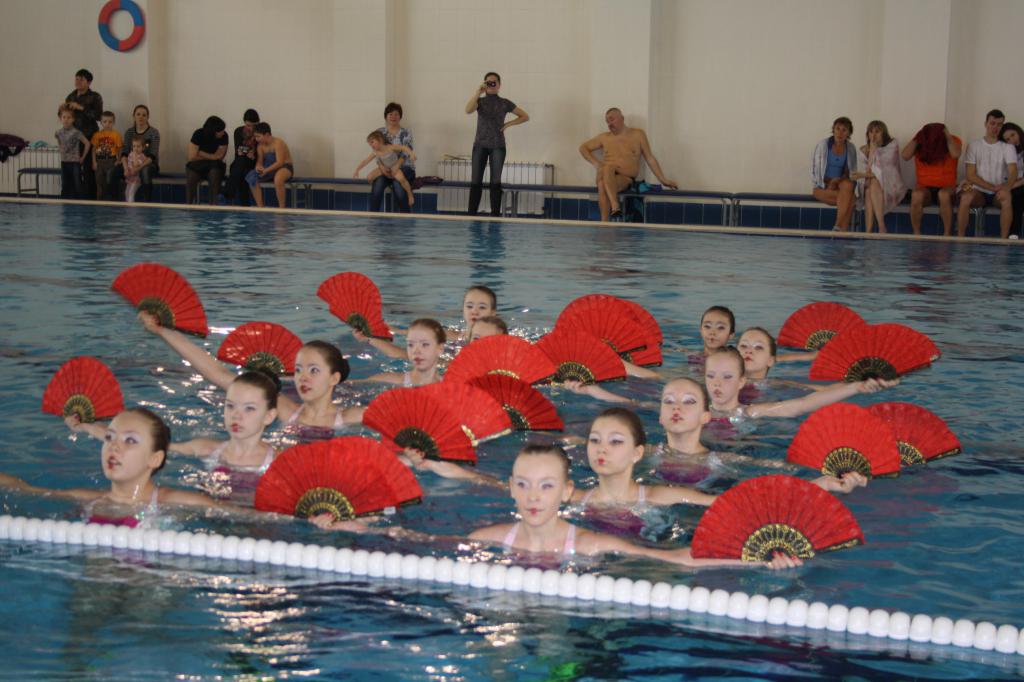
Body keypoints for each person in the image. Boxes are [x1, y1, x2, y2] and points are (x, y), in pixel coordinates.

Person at [466, 444, 801, 569]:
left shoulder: (590, 544)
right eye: (522, 484)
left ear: (567, 491)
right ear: (510, 488)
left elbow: (673, 558)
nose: (533, 497)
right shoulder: (486, 538)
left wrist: (756, 561)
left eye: (547, 486)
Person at [138, 312, 364, 443]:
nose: (302, 378)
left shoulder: (352, 417)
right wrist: (164, 331)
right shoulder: (286, 410)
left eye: (313, 370)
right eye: (297, 370)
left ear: (334, 378)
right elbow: (219, 375)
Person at [66, 372, 280, 503]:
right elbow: (143, 445)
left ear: (270, 416)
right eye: (230, 406)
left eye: (249, 409)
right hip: (209, 519)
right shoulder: (206, 449)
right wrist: (87, 427)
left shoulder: (278, 461)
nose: (236, 415)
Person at [0, 408, 224, 526]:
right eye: (109, 437)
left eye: (130, 441)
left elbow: (247, 518)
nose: (113, 447)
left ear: (154, 459)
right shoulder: (90, 501)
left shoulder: (176, 503)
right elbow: (25, 489)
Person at [704, 347, 896, 423]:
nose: (717, 383)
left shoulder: (751, 412)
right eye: (710, 376)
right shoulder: (696, 413)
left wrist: (856, 387)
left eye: (727, 377)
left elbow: (802, 405)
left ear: (741, 382)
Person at [579, 108, 679, 221]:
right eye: (607, 122)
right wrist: (597, 164)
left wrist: (663, 179)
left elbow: (649, 158)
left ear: (622, 118)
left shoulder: (638, 134)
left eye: (611, 119)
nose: (609, 124)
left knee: (602, 184)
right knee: (607, 169)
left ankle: (605, 222)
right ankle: (614, 207)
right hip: (606, 173)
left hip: (625, 178)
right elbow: (583, 148)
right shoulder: (604, 137)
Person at [465, 72, 529, 216]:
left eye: (494, 82)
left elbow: (525, 116)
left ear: (499, 85)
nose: (491, 85)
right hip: (480, 145)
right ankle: (471, 215)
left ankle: (495, 215)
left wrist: (508, 124)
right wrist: (477, 92)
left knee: (495, 182)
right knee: (475, 181)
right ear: (484, 84)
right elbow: (468, 110)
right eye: (488, 82)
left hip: (498, 146)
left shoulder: (505, 102)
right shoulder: (479, 102)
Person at [957, 109, 1018, 239]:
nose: (995, 127)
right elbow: (970, 175)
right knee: (965, 197)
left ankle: (1003, 240)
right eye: (993, 123)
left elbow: (1013, 172)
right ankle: (960, 239)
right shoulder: (974, 145)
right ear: (986, 124)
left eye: (999, 124)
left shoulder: (1008, 147)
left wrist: (1006, 187)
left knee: (1006, 197)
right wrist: (992, 187)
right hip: (979, 191)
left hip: (999, 191)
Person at [902, 123, 962, 236]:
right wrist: (918, 136)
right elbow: (905, 155)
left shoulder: (953, 140)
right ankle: (916, 233)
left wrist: (947, 136)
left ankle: (947, 234)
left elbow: (955, 154)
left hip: (947, 187)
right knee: (916, 195)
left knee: (943, 194)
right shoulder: (921, 142)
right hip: (925, 188)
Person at [854, 120, 907, 234]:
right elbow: (868, 172)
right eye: (870, 132)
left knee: (873, 183)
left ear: (884, 133)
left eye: (877, 132)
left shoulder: (892, 145)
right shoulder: (863, 150)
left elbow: (884, 171)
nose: (873, 135)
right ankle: (876, 229)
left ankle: (877, 228)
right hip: (873, 186)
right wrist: (872, 151)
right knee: (869, 188)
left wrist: (874, 151)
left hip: (891, 185)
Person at [359, 318, 445, 386]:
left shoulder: (453, 387)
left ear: (440, 349)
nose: (416, 351)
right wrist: (367, 338)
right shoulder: (390, 381)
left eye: (425, 345)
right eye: (411, 345)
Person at [811, 117, 858, 231]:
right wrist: (829, 182)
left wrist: (837, 180)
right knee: (851, 200)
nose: (840, 133)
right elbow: (816, 172)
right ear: (833, 129)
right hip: (822, 187)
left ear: (849, 133)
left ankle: (837, 225)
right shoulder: (823, 145)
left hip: (840, 184)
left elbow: (850, 172)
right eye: (837, 129)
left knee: (848, 185)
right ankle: (842, 229)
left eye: (844, 130)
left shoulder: (850, 148)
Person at [370, 102, 417, 213]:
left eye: (396, 114)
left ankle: (406, 218)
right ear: (386, 116)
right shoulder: (380, 133)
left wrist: (396, 166)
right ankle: (373, 217)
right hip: (386, 169)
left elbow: (406, 154)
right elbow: (376, 152)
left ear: (400, 116)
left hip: (405, 167)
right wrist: (381, 167)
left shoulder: (406, 133)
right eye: (390, 114)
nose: (393, 117)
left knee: (398, 184)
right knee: (378, 185)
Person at [65, 68, 103, 199]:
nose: (78, 81)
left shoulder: (95, 97)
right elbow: (66, 115)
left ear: (89, 82)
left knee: (88, 169)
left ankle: (89, 198)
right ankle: (74, 197)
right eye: (76, 78)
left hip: (89, 136)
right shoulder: (70, 96)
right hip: (73, 137)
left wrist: (81, 108)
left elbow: (99, 116)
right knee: (73, 168)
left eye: (81, 79)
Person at [108, 104, 160, 202]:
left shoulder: (154, 132)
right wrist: (126, 168)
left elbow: (152, 156)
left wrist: (137, 168)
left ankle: (147, 204)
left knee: (144, 172)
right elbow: (124, 153)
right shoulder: (129, 132)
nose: (141, 117)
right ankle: (114, 204)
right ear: (133, 116)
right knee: (111, 173)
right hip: (130, 164)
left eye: (144, 115)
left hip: (148, 164)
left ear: (148, 117)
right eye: (138, 114)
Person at [354, 131, 416, 208]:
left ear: (380, 139)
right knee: (369, 177)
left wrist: (411, 154)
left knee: (402, 180)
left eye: (372, 142)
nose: (371, 145)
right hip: (384, 169)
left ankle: (410, 195)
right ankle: (383, 183)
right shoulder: (375, 152)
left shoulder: (390, 147)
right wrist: (357, 170)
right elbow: (365, 161)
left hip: (394, 168)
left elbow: (403, 147)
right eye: (370, 144)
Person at [246, 122, 294, 208]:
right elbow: (260, 160)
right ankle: (260, 206)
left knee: (278, 178)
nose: (256, 139)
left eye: (258, 136)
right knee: (251, 177)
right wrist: (258, 167)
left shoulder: (278, 143)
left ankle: (282, 208)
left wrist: (265, 171)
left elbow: (280, 162)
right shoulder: (260, 146)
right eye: (255, 136)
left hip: (285, 167)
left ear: (267, 134)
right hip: (268, 168)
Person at [185, 115, 229, 205]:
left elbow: (219, 156)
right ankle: (189, 205)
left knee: (214, 174)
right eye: (220, 131)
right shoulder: (198, 134)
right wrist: (212, 156)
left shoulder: (224, 136)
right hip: (198, 166)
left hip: (214, 166)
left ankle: (213, 206)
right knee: (191, 177)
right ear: (213, 131)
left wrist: (201, 153)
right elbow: (191, 157)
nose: (223, 133)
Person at [224, 109, 260, 206]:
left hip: (254, 163)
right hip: (240, 164)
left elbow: (260, 153)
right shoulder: (239, 131)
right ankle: (245, 206)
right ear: (244, 123)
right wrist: (249, 152)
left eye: (254, 126)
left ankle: (228, 191)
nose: (251, 128)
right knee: (243, 170)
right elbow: (238, 151)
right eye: (248, 125)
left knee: (240, 165)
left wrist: (252, 154)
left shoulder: (261, 131)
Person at [55, 104, 90, 199]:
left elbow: (87, 143)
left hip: (75, 162)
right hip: (64, 161)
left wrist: (82, 157)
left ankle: (80, 202)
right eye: (64, 117)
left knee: (77, 183)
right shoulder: (58, 132)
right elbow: (60, 143)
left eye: (69, 117)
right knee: (65, 183)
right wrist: (62, 150)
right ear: (60, 118)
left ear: (73, 119)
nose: (66, 119)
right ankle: (65, 202)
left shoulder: (76, 132)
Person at [999, 121, 1024, 239]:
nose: (1012, 140)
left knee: (1018, 193)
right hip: (1015, 185)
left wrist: (1010, 186)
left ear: (1018, 131)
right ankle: (1013, 233)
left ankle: (1014, 232)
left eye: (1013, 135)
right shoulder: (1009, 152)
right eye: (1007, 139)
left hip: (1019, 185)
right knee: (1015, 195)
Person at [90, 111, 122, 201]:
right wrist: (94, 162)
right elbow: (93, 150)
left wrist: (118, 160)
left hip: (111, 161)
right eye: (105, 121)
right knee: (99, 183)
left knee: (109, 182)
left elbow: (119, 149)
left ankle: (110, 202)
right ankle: (99, 202)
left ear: (114, 122)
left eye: (110, 122)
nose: (107, 124)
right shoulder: (97, 135)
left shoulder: (116, 135)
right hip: (99, 161)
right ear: (101, 122)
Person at [122, 137, 148, 203]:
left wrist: (135, 156)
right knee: (126, 193)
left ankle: (132, 210)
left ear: (143, 148)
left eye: (138, 146)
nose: (136, 148)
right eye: (134, 146)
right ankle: (128, 208)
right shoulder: (130, 154)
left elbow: (136, 165)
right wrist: (126, 170)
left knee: (131, 194)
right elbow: (128, 163)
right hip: (130, 179)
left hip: (136, 180)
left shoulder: (142, 156)